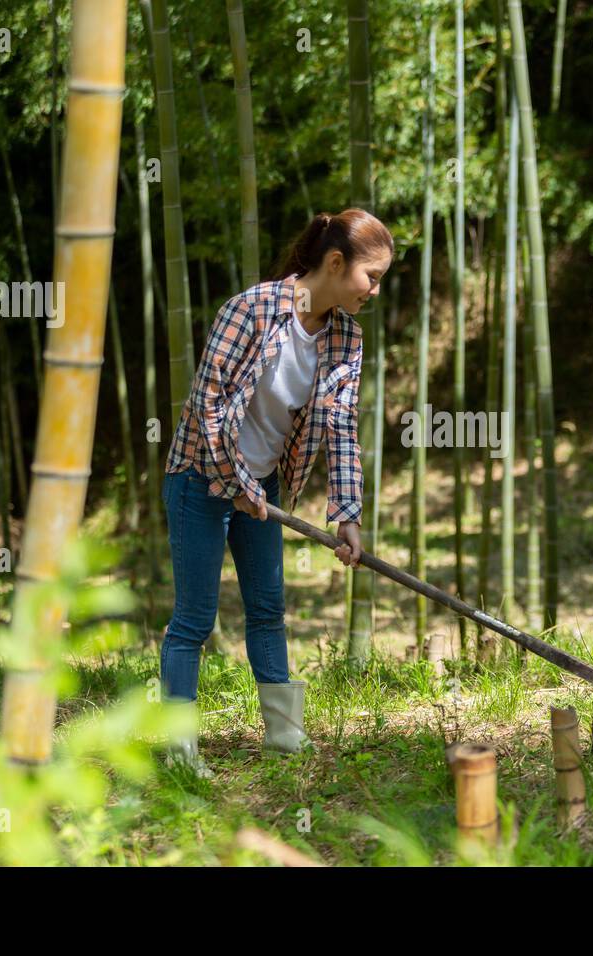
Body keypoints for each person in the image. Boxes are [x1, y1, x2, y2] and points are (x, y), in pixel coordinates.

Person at [160, 209, 393, 772]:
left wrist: (348, 516)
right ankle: (178, 750)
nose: (376, 291)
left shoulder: (344, 337)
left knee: (268, 608)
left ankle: (285, 735)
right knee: (194, 616)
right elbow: (207, 404)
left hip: (261, 485)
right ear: (335, 264)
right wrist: (232, 483)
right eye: (372, 277)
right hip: (200, 474)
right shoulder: (251, 310)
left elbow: (340, 425)